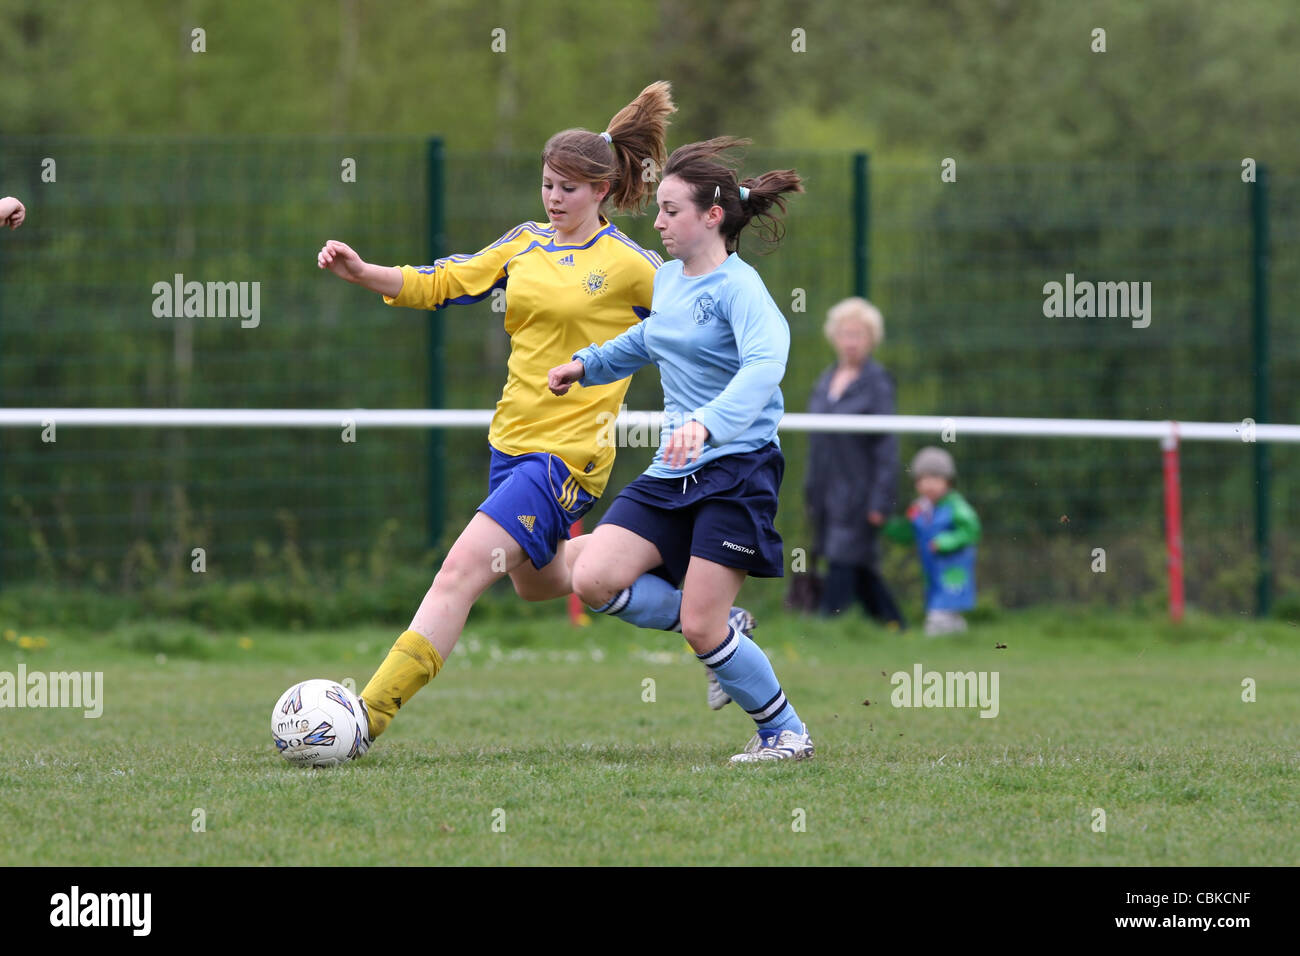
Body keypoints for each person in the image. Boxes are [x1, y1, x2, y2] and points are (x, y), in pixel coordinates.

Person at [313, 82, 749, 755]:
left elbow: (695, 319)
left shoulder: (634, 267)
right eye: (547, 183)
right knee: (541, 583)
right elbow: (443, 282)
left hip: (567, 457)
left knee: (458, 572)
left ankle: (364, 718)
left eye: (569, 188)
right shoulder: (523, 245)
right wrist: (364, 270)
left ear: (602, 192)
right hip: (510, 447)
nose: (554, 198)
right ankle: (720, 621)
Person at [548, 137, 813, 762]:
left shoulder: (740, 290)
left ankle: (785, 733)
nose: (659, 222)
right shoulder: (669, 279)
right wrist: (585, 364)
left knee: (699, 624)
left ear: (711, 216)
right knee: (591, 577)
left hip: (737, 469)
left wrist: (710, 423)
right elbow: (648, 339)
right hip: (674, 468)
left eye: (670, 210)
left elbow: (765, 366)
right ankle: (727, 635)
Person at [804, 297, 905, 627]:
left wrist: (881, 499)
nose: (850, 341)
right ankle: (895, 626)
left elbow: (887, 447)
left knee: (842, 558)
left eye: (858, 334)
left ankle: (826, 627)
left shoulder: (877, 383)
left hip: (859, 491)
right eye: (845, 333)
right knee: (857, 564)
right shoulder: (824, 379)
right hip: (824, 488)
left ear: (871, 339)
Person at [883, 446, 981, 636]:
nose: (929, 485)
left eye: (935, 478)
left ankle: (938, 640)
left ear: (948, 481)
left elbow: (971, 530)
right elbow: (910, 532)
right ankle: (958, 638)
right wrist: (886, 527)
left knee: (940, 612)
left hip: (952, 567)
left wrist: (946, 542)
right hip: (932, 571)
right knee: (944, 608)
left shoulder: (955, 506)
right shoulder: (920, 508)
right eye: (923, 479)